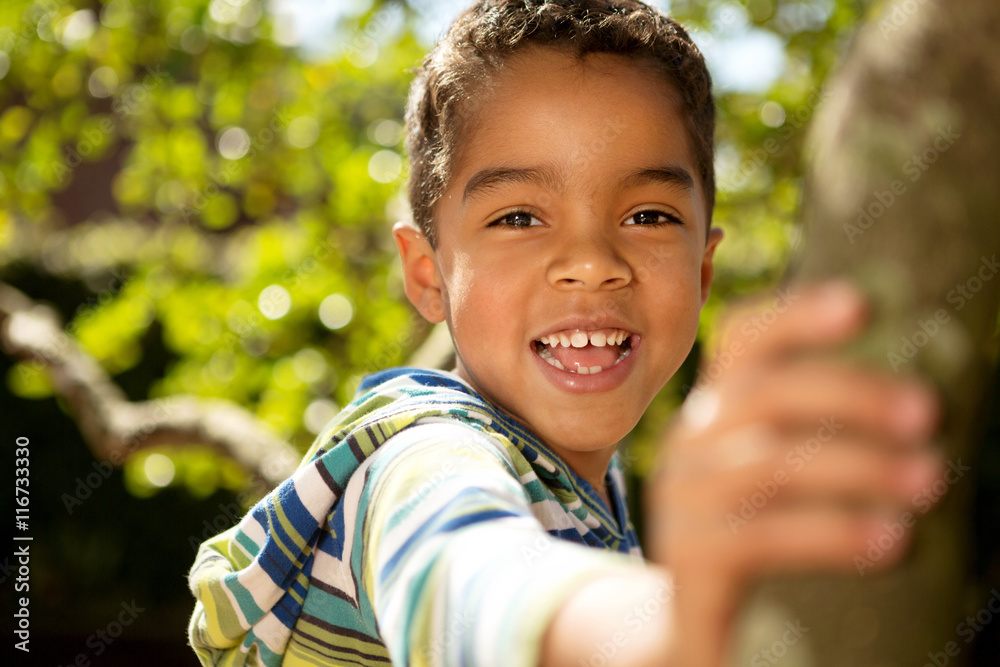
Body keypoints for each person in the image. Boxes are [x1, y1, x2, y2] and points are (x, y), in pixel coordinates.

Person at [187, 1, 944, 665]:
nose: (592, 262)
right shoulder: (418, 459)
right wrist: (661, 633)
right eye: (518, 217)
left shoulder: (590, 485)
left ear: (704, 268)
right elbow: (470, 575)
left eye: (649, 215)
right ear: (427, 274)